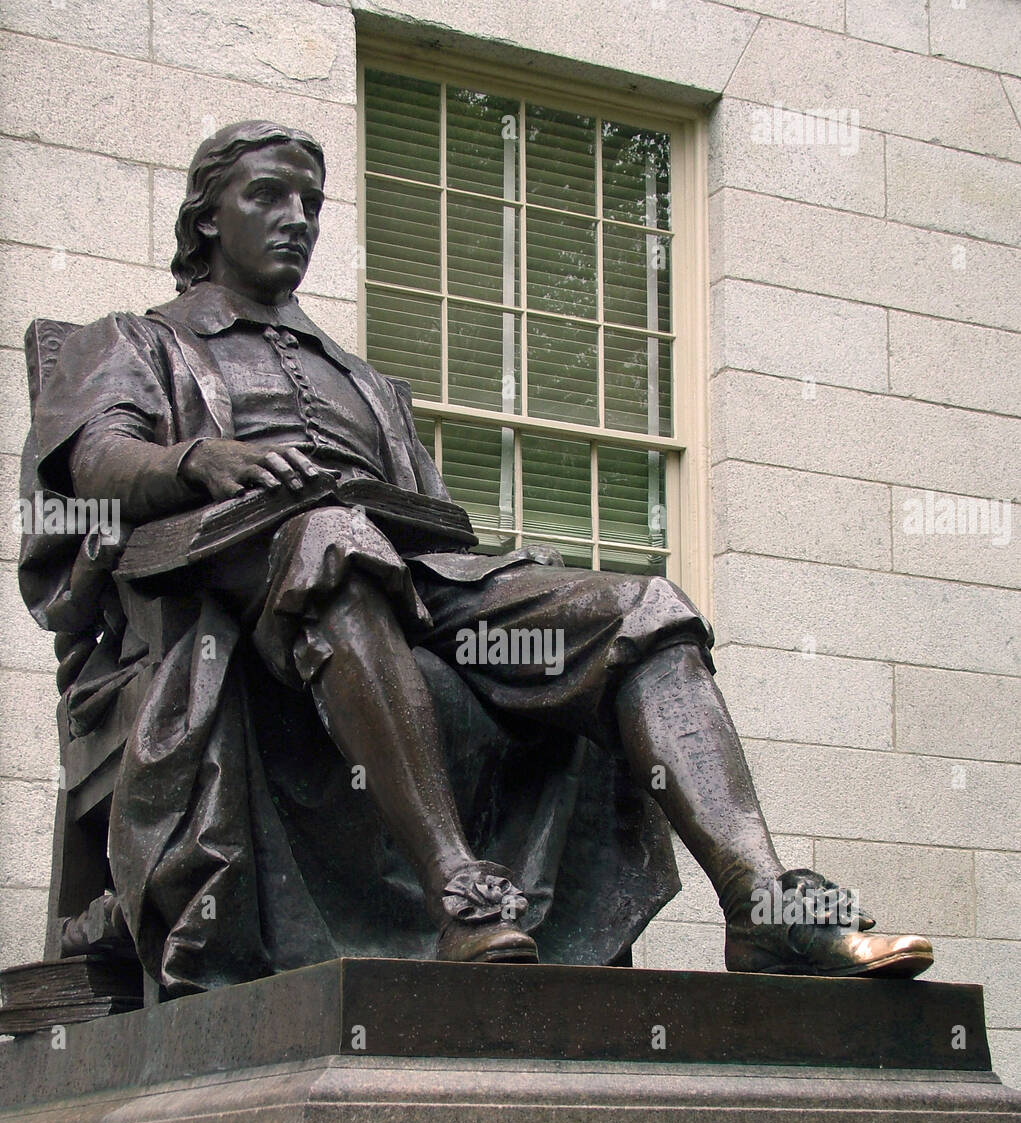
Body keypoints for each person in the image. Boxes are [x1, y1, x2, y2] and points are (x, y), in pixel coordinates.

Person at [20, 121, 933, 992]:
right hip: (239, 592)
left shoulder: (361, 377)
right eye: (269, 196)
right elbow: (97, 462)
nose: (297, 219)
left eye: (312, 202)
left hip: (415, 580)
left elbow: (435, 522)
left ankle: (761, 899)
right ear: (208, 217)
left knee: (643, 610)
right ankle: (458, 889)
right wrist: (201, 459)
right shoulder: (134, 340)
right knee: (334, 540)